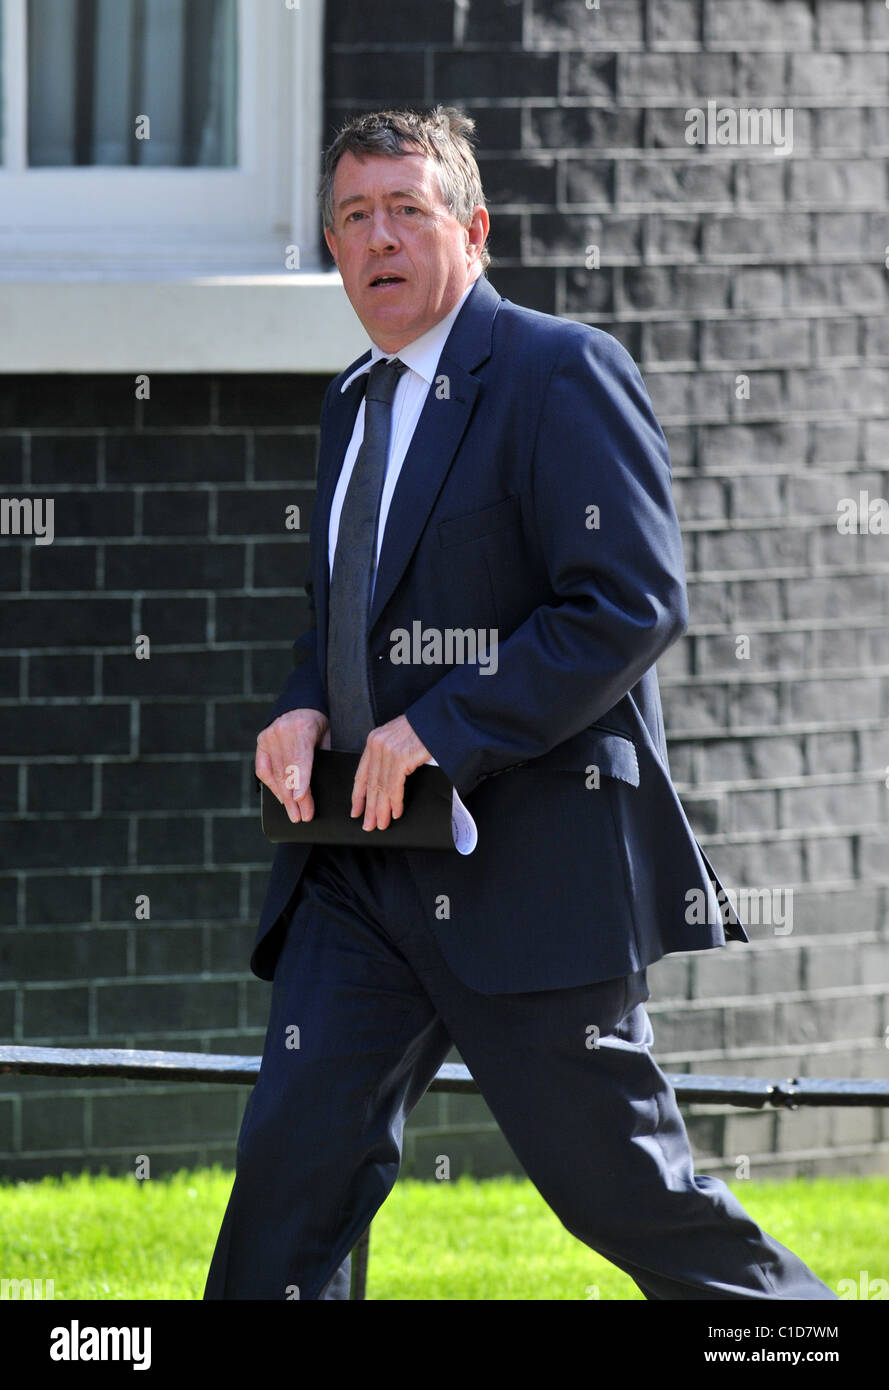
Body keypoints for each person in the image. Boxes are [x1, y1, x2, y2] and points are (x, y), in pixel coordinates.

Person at [204, 105, 837, 1301]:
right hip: (357, 870)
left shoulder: (560, 369)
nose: (378, 237)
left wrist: (443, 724)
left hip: (527, 870)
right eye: (352, 216)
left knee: (633, 1201)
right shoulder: (353, 400)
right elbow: (343, 621)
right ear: (331, 251)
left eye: (406, 208)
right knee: (288, 1181)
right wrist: (303, 706)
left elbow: (629, 601)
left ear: (473, 229)